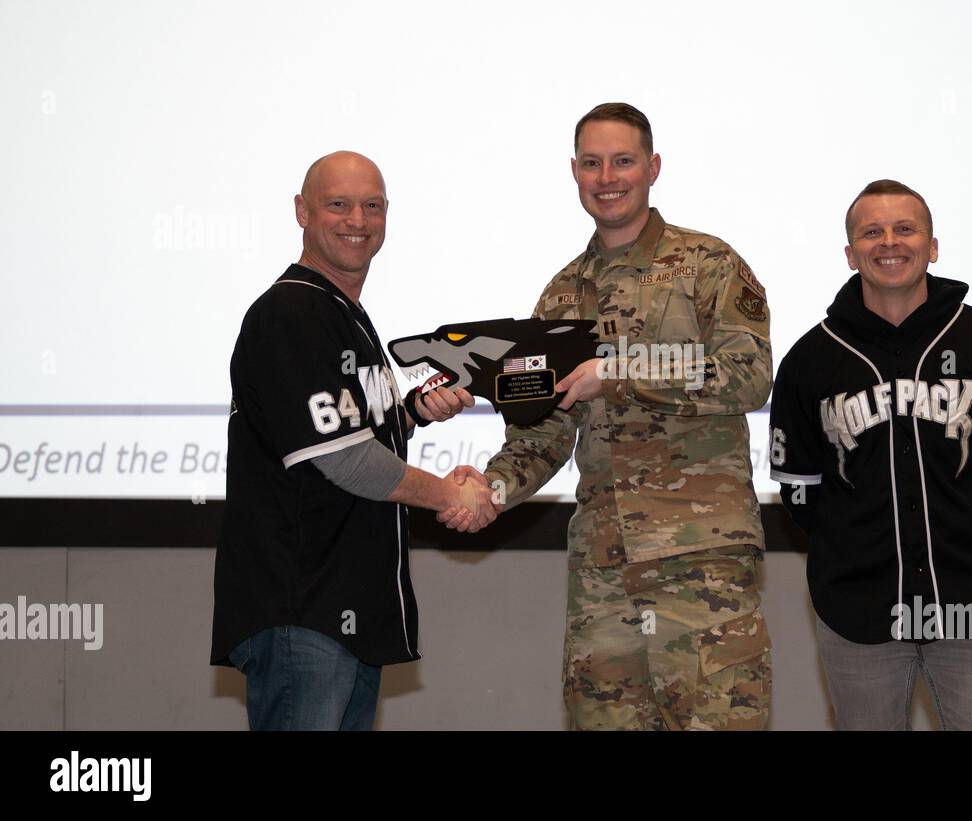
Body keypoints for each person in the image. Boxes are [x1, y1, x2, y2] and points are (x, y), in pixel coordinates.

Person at [471, 103, 774, 730]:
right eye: (591, 163)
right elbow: (541, 435)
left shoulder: (710, 265)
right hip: (603, 575)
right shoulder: (560, 295)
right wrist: (491, 489)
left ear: (653, 167)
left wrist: (620, 371)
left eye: (623, 161)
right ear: (574, 172)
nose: (607, 176)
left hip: (702, 564)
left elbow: (749, 377)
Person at [210, 150, 497, 731]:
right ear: (301, 211)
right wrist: (447, 495)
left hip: (346, 611)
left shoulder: (345, 314)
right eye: (337, 204)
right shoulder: (292, 312)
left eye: (372, 206)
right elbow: (345, 459)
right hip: (303, 612)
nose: (356, 220)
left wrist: (411, 412)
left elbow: (345, 432)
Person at [769, 179, 972, 730]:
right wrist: (855, 552)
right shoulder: (810, 359)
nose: (888, 242)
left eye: (904, 228)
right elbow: (800, 492)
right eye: (871, 232)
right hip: (858, 613)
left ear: (933, 245)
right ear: (850, 254)